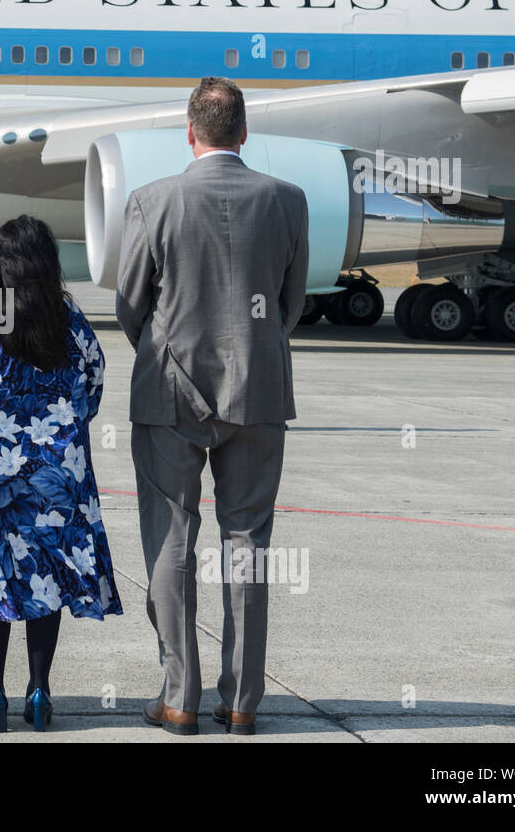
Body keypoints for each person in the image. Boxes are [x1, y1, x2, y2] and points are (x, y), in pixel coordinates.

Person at [116, 76, 309, 737]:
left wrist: (165, 349)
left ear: (190, 132)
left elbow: (130, 304)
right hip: (257, 389)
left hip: (170, 390)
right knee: (248, 544)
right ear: (244, 133)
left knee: (171, 541)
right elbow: (291, 306)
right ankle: (242, 701)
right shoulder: (287, 200)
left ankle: (179, 696)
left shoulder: (152, 200)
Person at [0, 214, 121, 733]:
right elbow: (93, 382)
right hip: (56, 476)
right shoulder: (67, 318)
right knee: (46, 577)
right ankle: (40, 690)